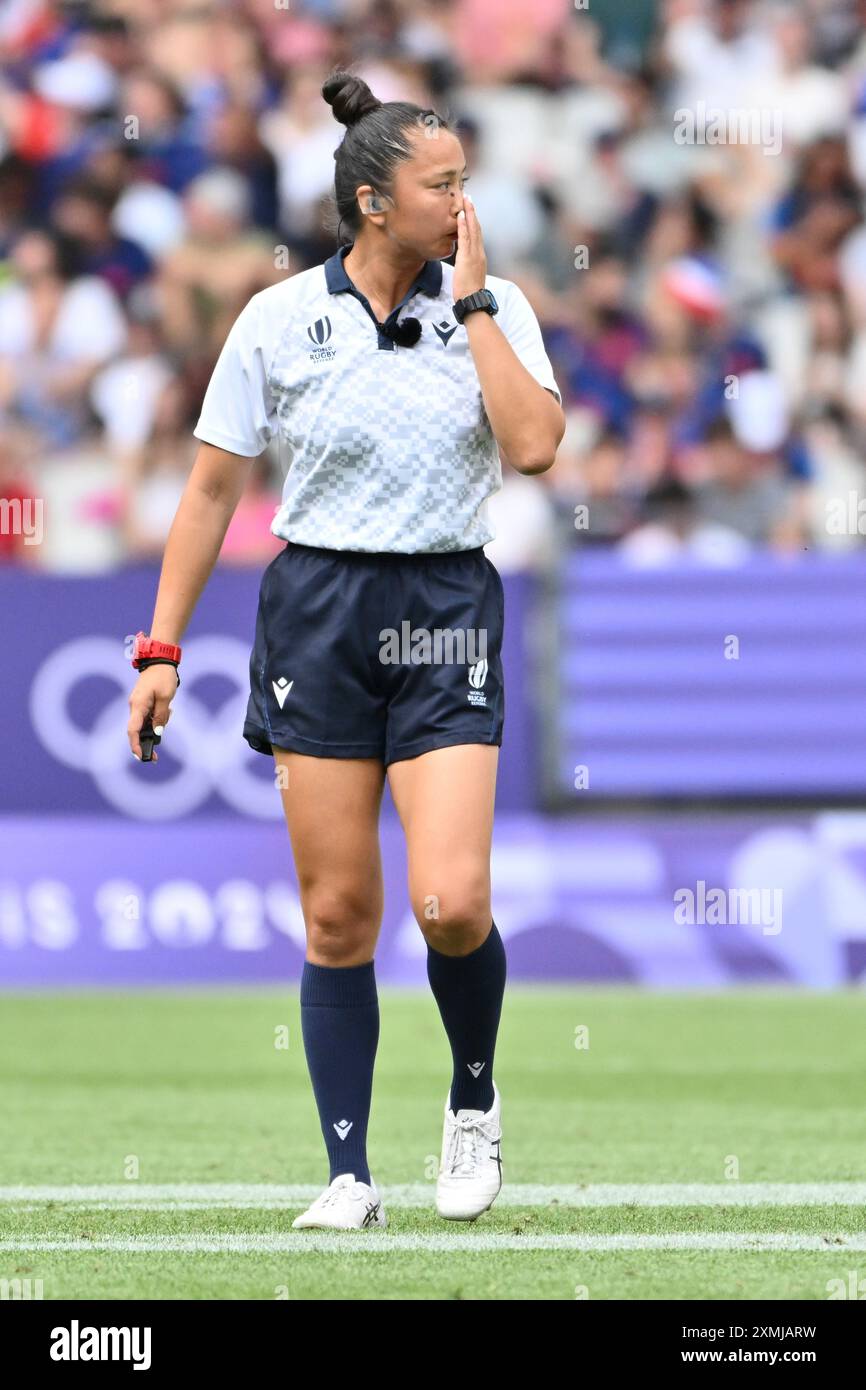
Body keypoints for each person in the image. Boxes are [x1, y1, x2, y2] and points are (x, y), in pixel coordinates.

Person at [126, 68, 564, 1232]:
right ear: (374, 201)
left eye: (465, 183)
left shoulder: (496, 306)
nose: (463, 204)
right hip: (316, 611)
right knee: (335, 917)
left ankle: (471, 1100)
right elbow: (212, 490)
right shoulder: (277, 319)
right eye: (441, 186)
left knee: (451, 899)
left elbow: (533, 450)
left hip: (444, 605)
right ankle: (348, 1175)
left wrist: (470, 309)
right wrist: (159, 647)